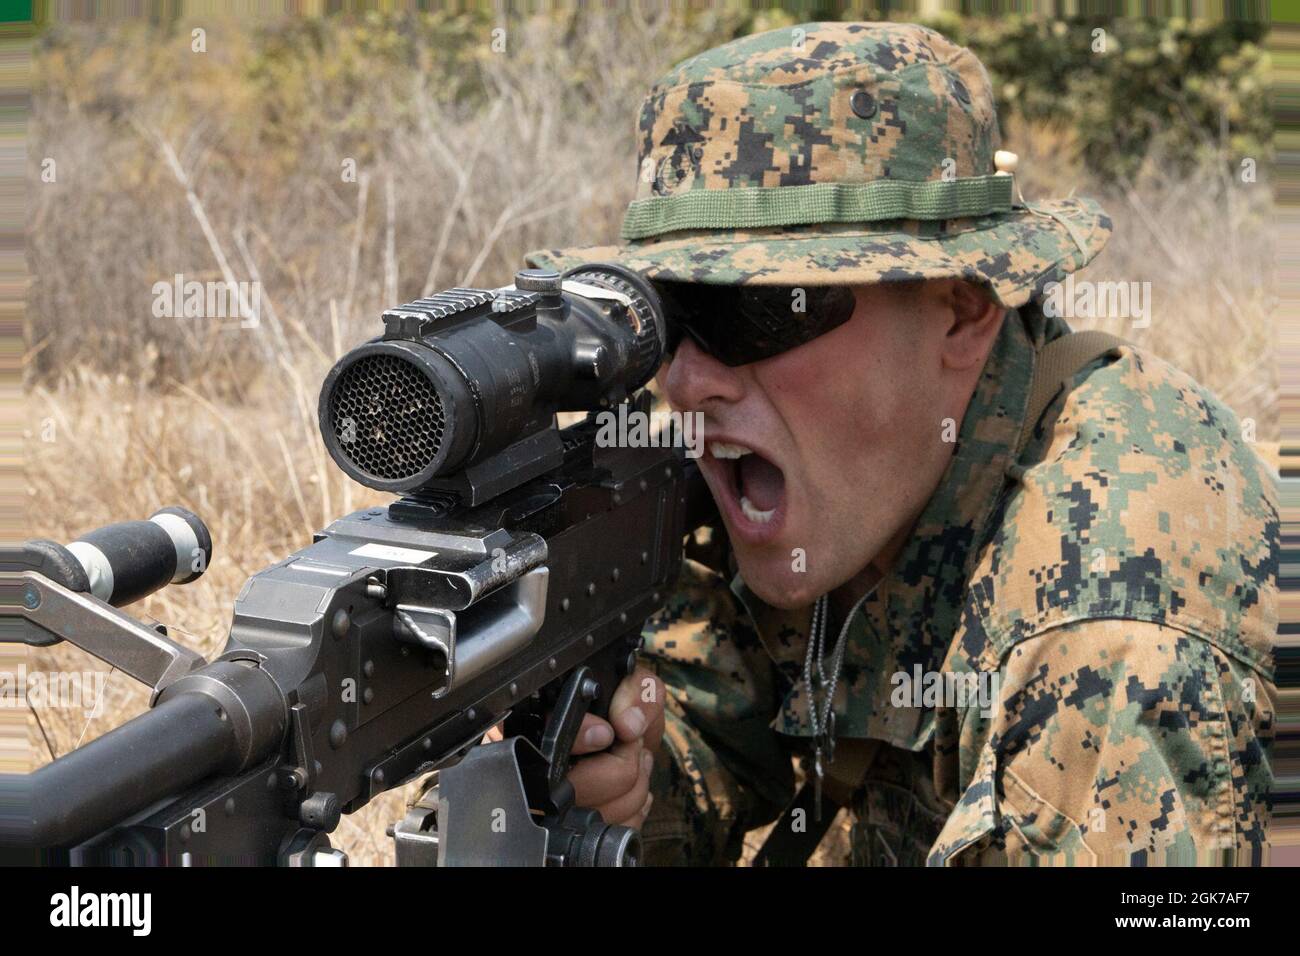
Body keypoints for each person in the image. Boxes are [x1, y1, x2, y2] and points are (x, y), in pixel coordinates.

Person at [525, 21, 1277, 866]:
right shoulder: (832, 473)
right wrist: (624, 782)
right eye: (668, 321)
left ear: (959, 307)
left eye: (756, 313)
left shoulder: (1111, 618)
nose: (688, 382)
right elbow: (724, 721)